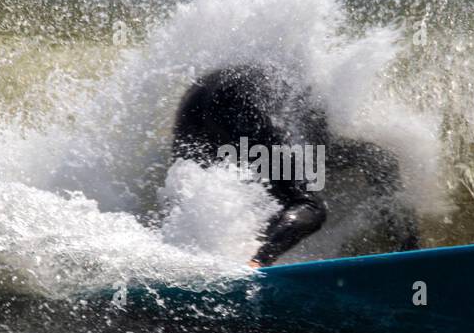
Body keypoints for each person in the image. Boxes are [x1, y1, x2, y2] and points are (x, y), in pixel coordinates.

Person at [171, 64, 419, 267]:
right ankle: (256, 262)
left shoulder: (289, 93)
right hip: (242, 103)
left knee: (194, 194)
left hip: (195, 101)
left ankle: (189, 256)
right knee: (309, 205)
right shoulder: (305, 114)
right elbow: (331, 152)